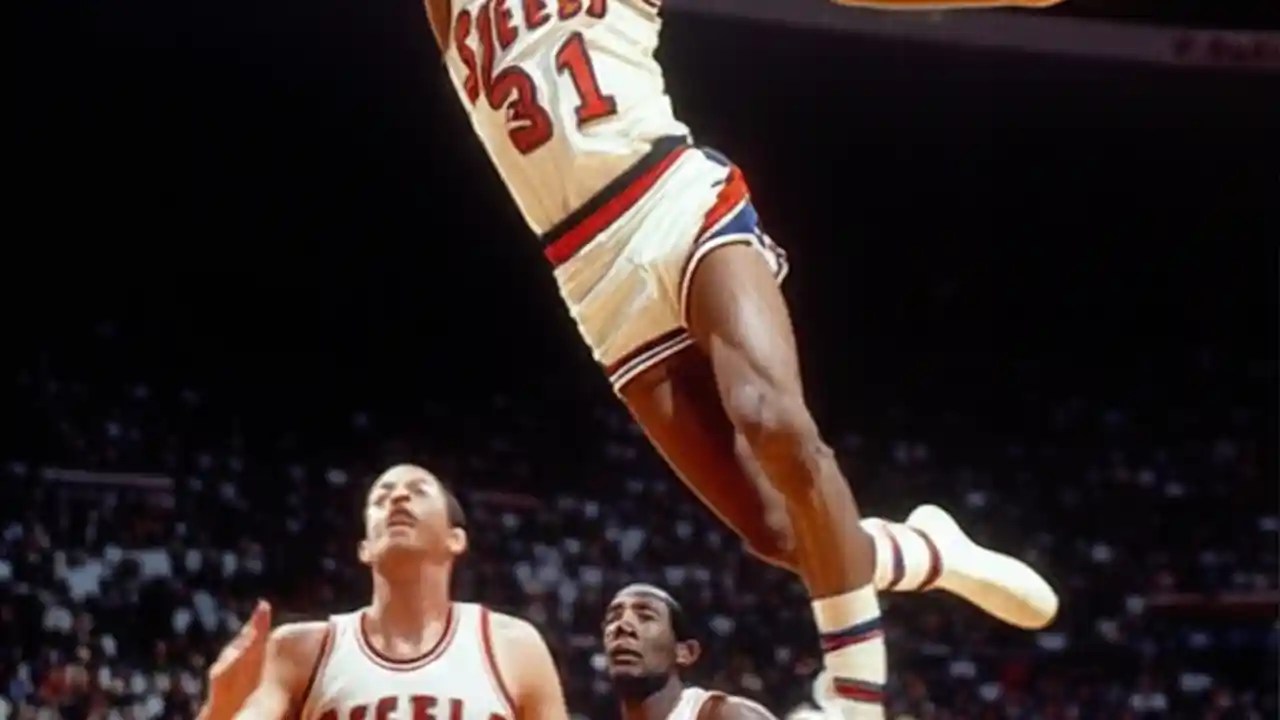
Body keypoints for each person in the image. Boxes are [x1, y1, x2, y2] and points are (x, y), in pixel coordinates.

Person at [418, 0, 1064, 714]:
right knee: (783, 534)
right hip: (590, 277)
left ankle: (854, 700)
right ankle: (929, 551)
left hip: (673, 200)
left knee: (774, 421)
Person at [197, 463, 569, 720]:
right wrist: (219, 707)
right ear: (364, 548)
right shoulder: (299, 649)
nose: (397, 499)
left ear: (456, 539)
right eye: (381, 497)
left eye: (417, 491)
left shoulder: (514, 645)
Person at [603, 582, 779, 720]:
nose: (622, 626)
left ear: (685, 652)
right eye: (613, 618)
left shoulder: (727, 715)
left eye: (646, 617)